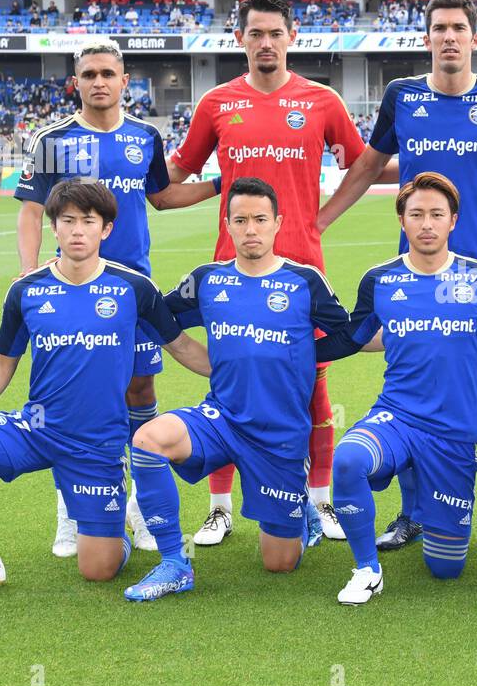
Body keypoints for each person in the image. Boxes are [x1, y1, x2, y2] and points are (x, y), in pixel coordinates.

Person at [317, 0, 477, 552]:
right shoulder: (402, 98)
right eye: (439, 28)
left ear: (475, 38)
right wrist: (319, 222)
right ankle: (414, 512)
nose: (449, 37)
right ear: (426, 40)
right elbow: (367, 167)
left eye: (458, 28)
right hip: (415, 278)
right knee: (414, 394)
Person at [0, 181, 211, 597]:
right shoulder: (26, 290)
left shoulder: (134, 288)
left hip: (96, 445)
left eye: (87, 221)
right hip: (35, 428)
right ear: (53, 227)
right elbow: (3, 364)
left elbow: (180, 346)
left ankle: (108, 528)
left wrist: (237, 376)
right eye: (67, 220)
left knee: (98, 569)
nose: (77, 230)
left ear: (105, 230)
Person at [166, 0, 368, 547]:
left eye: (275, 33)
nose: (266, 43)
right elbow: (170, 184)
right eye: (255, 34)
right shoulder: (216, 104)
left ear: (292, 37)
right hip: (231, 268)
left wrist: (322, 217)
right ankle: (219, 507)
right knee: (229, 388)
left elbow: (365, 163)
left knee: (313, 386)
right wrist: (218, 185)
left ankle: (319, 501)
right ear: (240, 40)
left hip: (303, 266)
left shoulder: (322, 101)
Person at [15, 39, 216, 558]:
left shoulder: (145, 136)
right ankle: (70, 511)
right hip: (71, 290)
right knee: (72, 401)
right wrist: (30, 274)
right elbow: (32, 209)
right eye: (88, 74)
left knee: (139, 391)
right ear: (75, 82)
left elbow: (163, 197)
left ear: (125, 81)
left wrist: (221, 184)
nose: (98, 81)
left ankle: (142, 507)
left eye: (108, 73)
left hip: (134, 292)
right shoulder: (53, 140)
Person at [125, 178, 353, 600]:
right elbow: (160, 315)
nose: (251, 229)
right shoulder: (207, 280)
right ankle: (175, 563)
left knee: (279, 563)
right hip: (221, 418)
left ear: (277, 223)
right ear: (227, 224)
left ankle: (301, 513)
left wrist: (299, 355)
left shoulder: (305, 281)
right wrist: (192, 355)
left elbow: (350, 333)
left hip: (279, 435)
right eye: (241, 220)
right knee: (147, 440)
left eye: (260, 220)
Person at [316, 173, 477, 605]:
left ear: (453, 221)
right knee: (350, 459)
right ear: (402, 220)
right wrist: (289, 349)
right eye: (416, 214)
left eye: (436, 214)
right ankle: (365, 570)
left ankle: (427, 509)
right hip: (397, 416)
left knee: (446, 568)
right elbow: (350, 340)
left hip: (453, 431)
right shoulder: (380, 279)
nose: (426, 223)